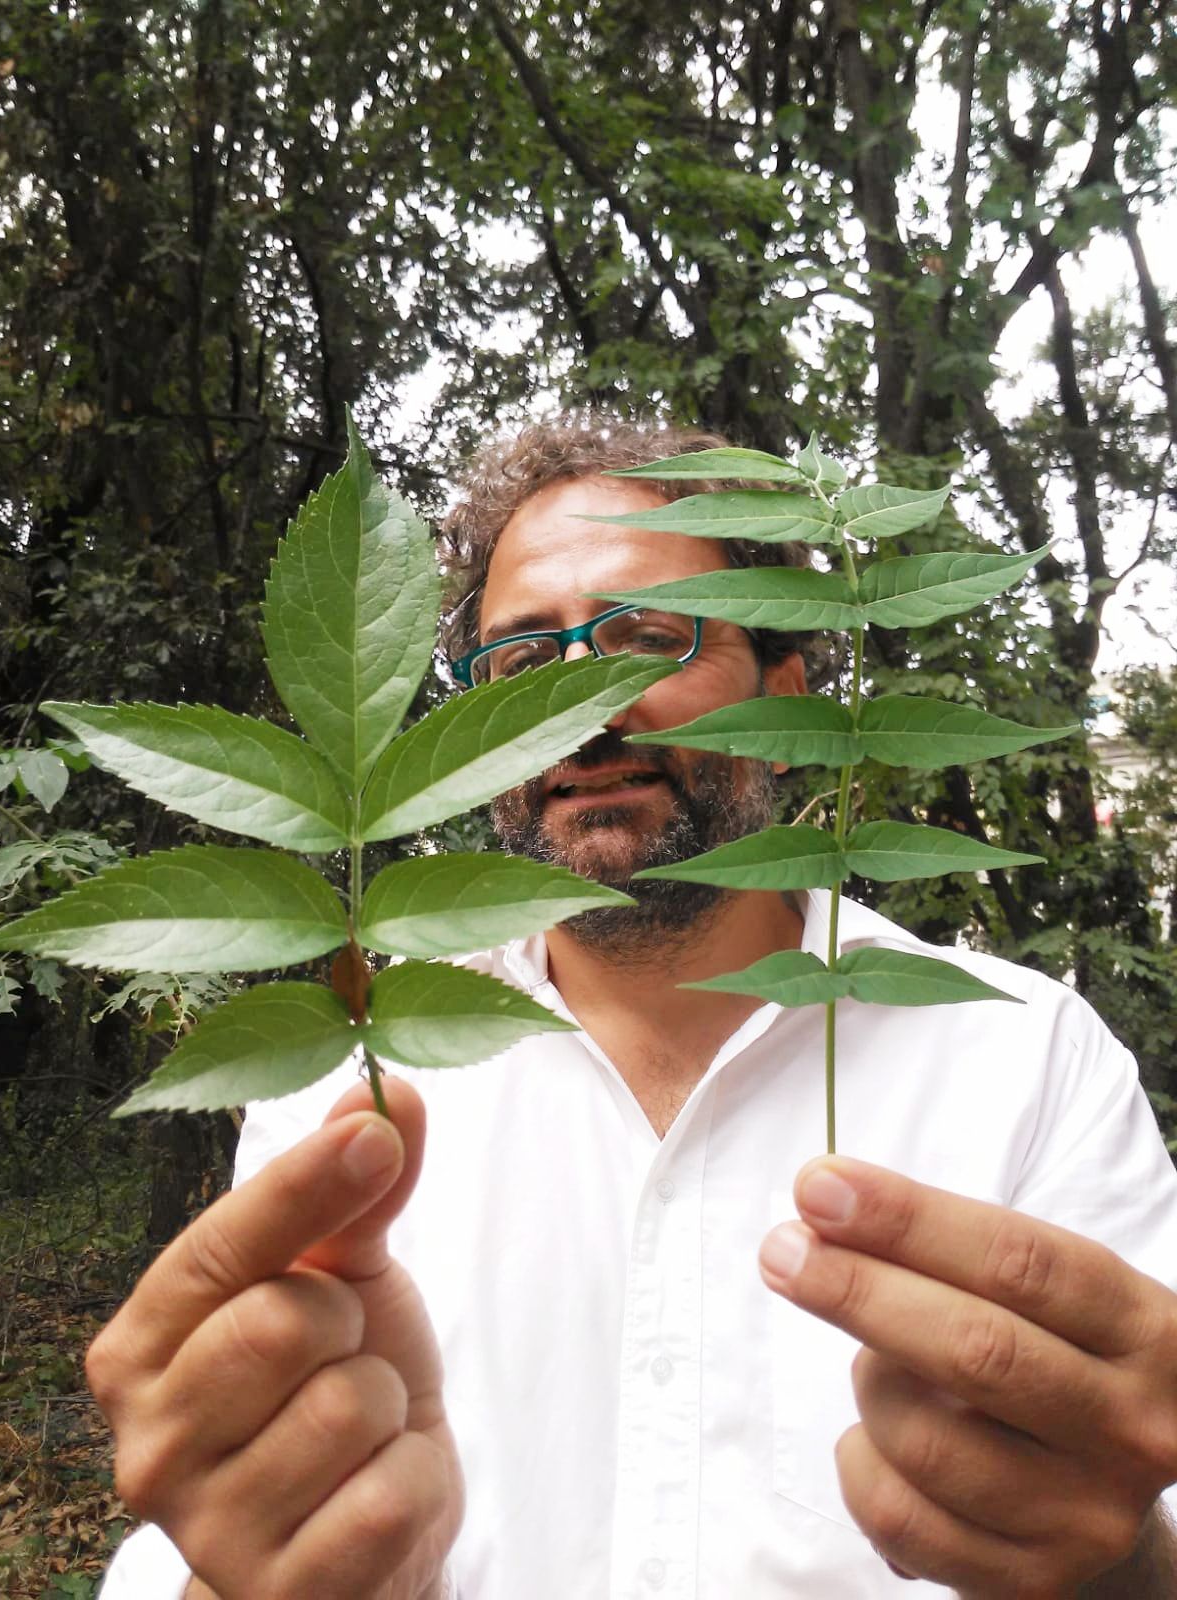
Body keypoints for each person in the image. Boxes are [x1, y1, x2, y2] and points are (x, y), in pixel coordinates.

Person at [92, 419, 1177, 1599]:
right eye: (523, 665)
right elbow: (214, 1536)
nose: (582, 709)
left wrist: (1119, 1558)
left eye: (648, 638)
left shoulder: (1022, 1056)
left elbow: (1144, 1493)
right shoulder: (344, 1092)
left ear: (788, 695)